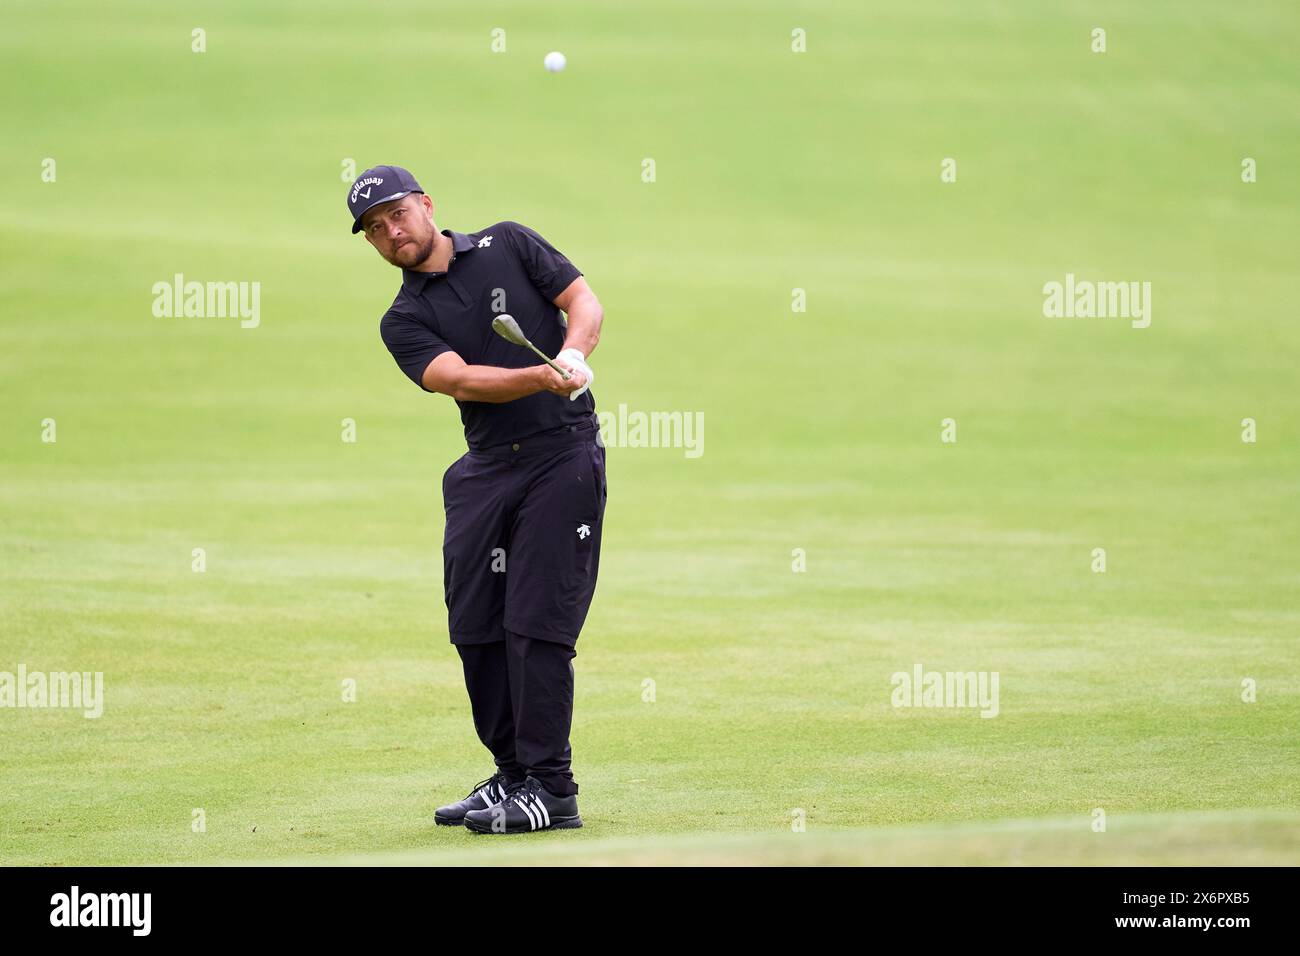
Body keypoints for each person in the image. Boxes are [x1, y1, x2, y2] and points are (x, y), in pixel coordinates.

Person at [347, 165, 607, 833]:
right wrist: (539, 378)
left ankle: (552, 788)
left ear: (427, 205)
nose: (391, 233)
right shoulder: (403, 318)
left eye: (398, 214)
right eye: (375, 230)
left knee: (535, 622)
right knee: (475, 624)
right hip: (487, 468)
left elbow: (583, 302)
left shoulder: (509, 243)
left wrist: (573, 355)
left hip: (561, 454)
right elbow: (458, 378)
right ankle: (513, 771)